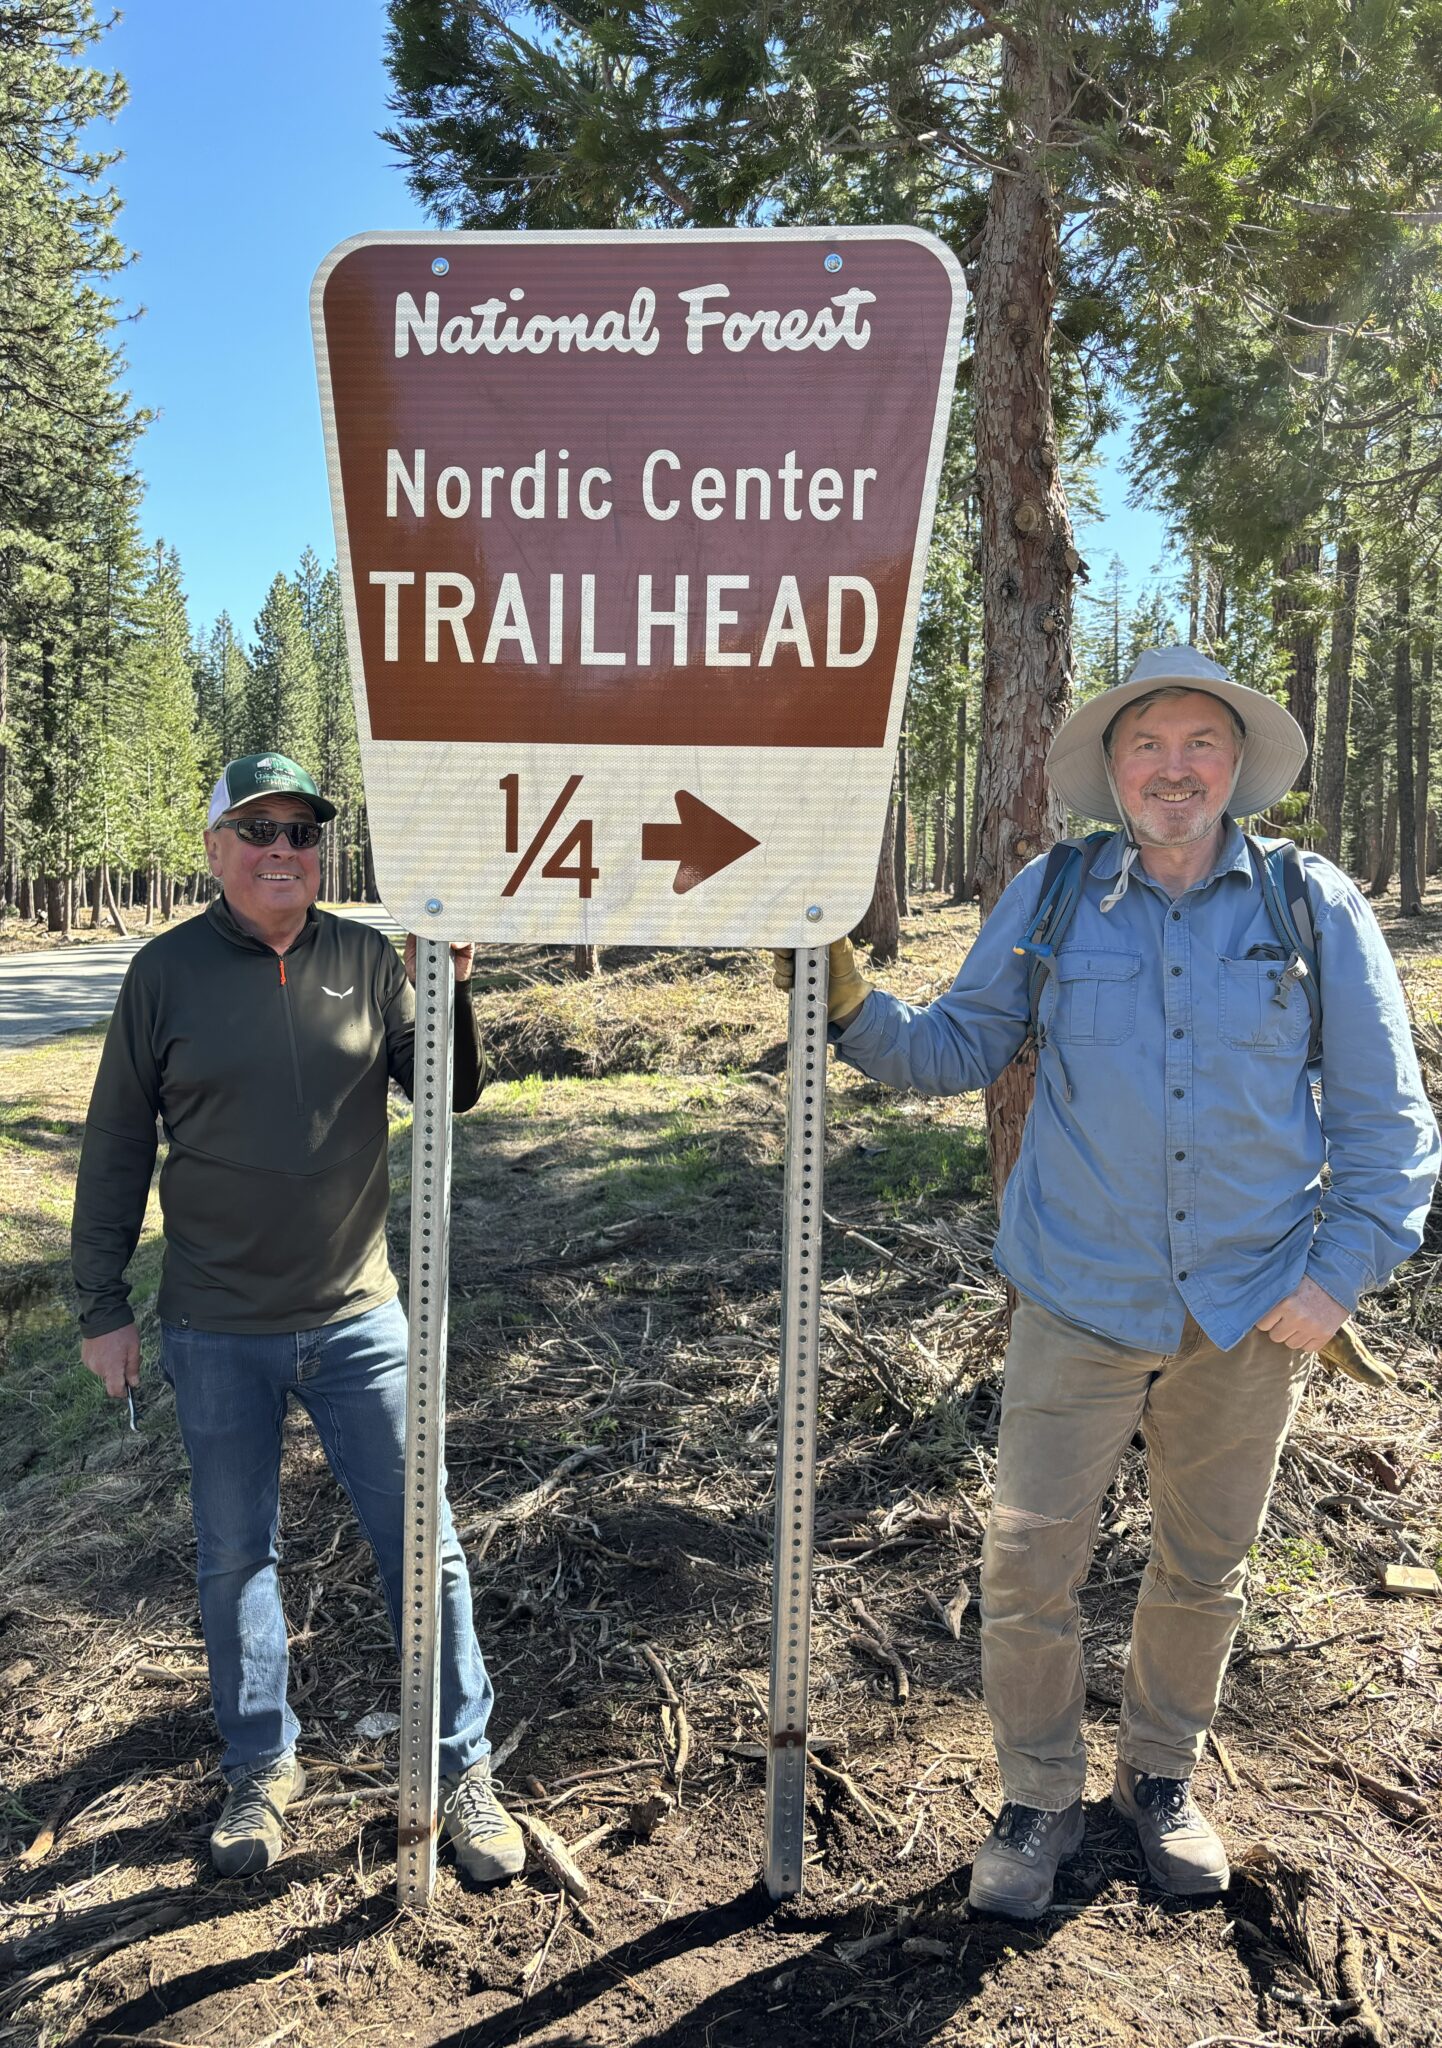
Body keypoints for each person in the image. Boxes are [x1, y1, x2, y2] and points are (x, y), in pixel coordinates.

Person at [785, 647, 1439, 1919]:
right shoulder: (1051, 893)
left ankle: (1160, 1775)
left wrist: (1335, 1277)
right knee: (1028, 1564)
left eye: (1201, 741)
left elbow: (1389, 1121)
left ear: (1235, 765)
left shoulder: (1310, 905)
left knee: (1203, 1564)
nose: (1174, 766)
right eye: (1148, 744)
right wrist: (848, 1001)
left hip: (1249, 1310)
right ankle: (1034, 1794)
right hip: (1075, 1298)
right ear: (1113, 769)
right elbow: (958, 1045)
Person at [71, 751, 524, 1884]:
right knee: (236, 1556)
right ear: (217, 845)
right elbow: (119, 1143)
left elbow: (446, 1087)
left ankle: (462, 1766)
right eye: (260, 832)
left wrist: (455, 984)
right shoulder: (165, 974)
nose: (284, 852)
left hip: (360, 1315)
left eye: (303, 834)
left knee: (427, 1547)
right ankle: (260, 1768)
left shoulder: (366, 958)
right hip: (215, 1325)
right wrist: (101, 1305)